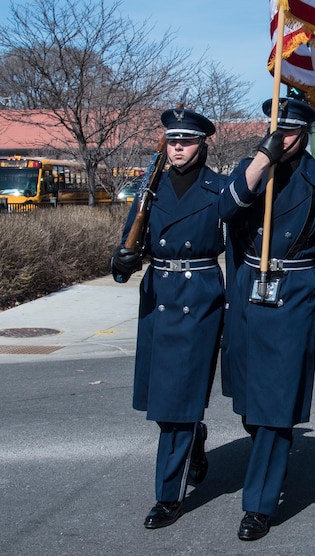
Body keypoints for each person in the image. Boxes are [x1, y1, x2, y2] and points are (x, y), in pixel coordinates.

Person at [217, 97, 315, 541]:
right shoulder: (249, 169)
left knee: (275, 404)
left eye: (290, 132)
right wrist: (261, 160)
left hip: (293, 292)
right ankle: (272, 461)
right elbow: (227, 211)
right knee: (250, 404)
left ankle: (258, 503)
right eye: (276, 129)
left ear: (305, 134)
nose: (282, 137)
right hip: (248, 291)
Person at [111, 108, 227, 529]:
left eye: (187, 141)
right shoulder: (151, 188)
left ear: (202, 145)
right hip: (158, 294)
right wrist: (122, 261)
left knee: (178, 402)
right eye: (173, 140)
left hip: (198, 296)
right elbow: (130, 243)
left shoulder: (219, 189)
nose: (178, 148)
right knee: (160, 399)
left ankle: (167, 496)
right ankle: (194, 435)